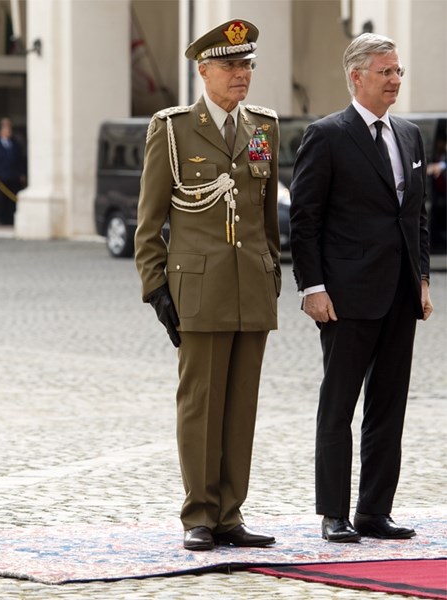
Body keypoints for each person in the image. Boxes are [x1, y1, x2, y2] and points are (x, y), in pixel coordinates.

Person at [134, 19, 281, 551]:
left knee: (241, 406)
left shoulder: (263, 127)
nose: (242, 74)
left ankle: (229, 514)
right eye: (230, 65)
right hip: (198, 289)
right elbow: (149, 223)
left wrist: (272, 271)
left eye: (247, 65)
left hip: (252, 287)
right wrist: (156, 289)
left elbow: (265, 214)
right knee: (200, 404)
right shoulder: (173, 130)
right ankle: (198, 513)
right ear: (204, 70)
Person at [289, 33, 433, 543]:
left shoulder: (410, 135)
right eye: (385, 72)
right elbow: (305, 219)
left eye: (397, 71)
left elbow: (416, 216)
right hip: (345, 297)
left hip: (399, 294)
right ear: (356, 76)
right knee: (339, 407)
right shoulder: (327, 135)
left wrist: (421, 279)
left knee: (388, 408)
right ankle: (334, 513)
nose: (395, 80)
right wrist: (312, 287)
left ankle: (375, 511)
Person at [0, 117, 27, 225]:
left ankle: (11, 218)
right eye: (6, 129)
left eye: (9, 129)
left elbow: (20, 159)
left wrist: (22, 173)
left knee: (12, 199)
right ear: (1, 131)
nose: (8, 131)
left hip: (14, 176)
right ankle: (3, 219)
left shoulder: (15, 143)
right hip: (1, 177)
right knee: (2, 200)